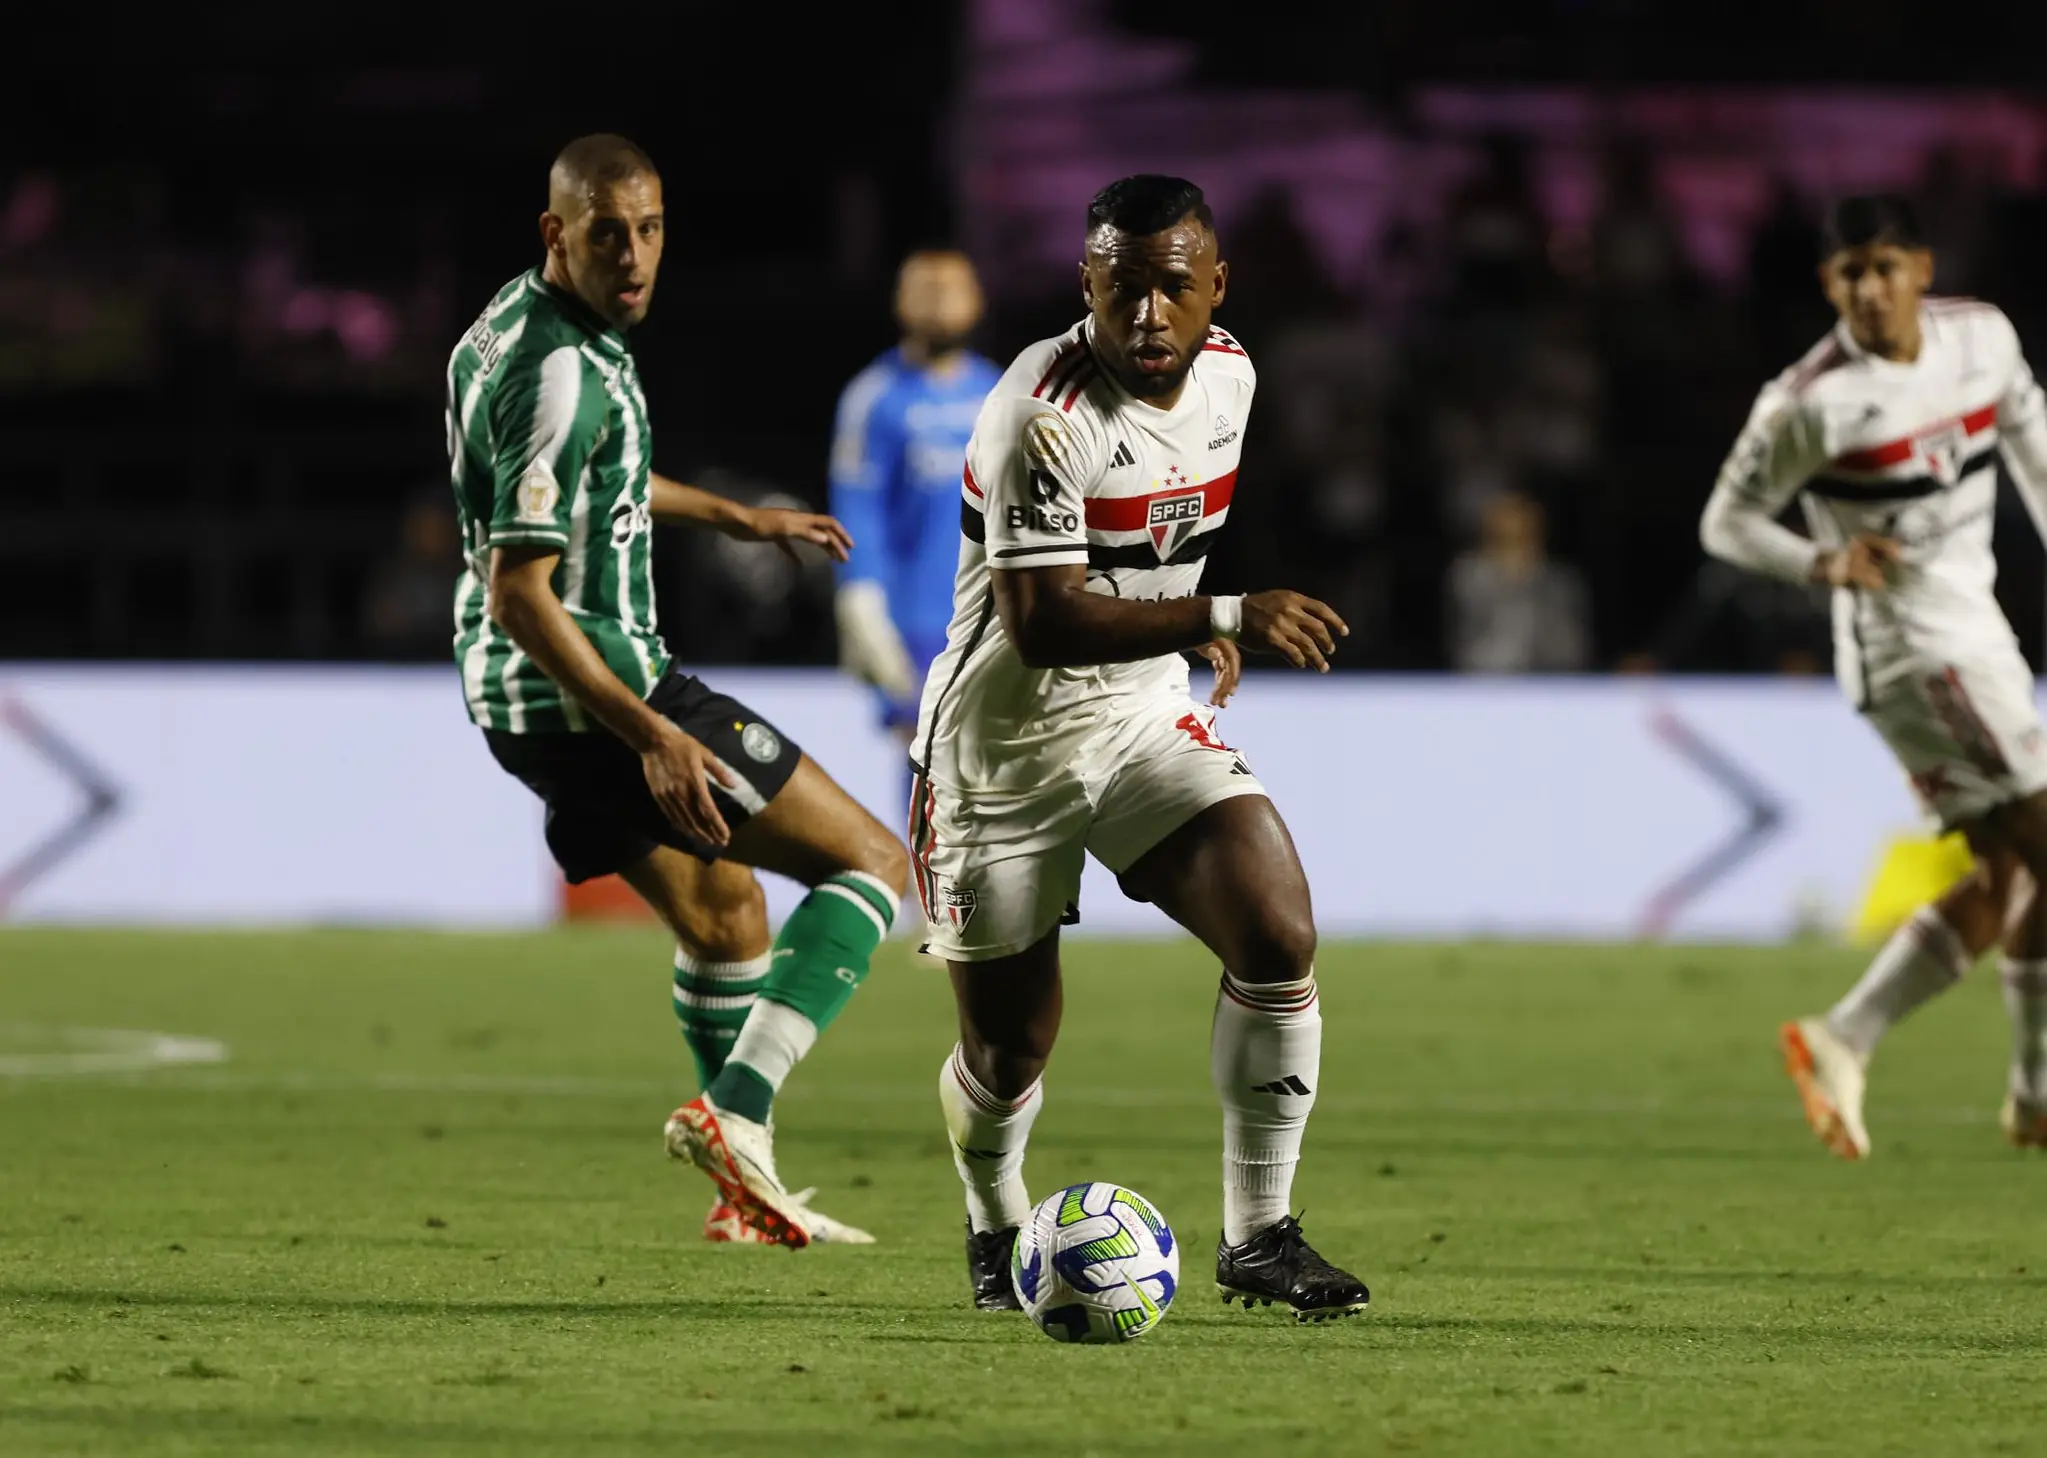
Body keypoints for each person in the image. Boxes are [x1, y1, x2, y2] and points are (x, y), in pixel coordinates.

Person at [913, 174, 1372, 1322]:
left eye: (1175, 287)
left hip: (1134, 716)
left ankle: (1259, 1236)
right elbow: (1043, 618)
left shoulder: (1233, 376)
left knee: (1277, 930)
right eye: (1125, 289)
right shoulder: (1039, 409)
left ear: (1217, 285)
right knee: (1010, 1048)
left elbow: (1160, 536)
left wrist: (1183, 624)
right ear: (1088, 285)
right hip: (1000, 752)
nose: (1150, 315)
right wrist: (1220, 615)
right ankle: (992, 1211)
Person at [445, 134, 911, 1247]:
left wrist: (734, 515)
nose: (637, 255)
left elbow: (594, 478)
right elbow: (521, 589)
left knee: (728, 916)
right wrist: (651, 731)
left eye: (651, 230)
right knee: (874, 863)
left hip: (521, 705)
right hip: (594, 685)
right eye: (610, 234)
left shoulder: (517, 329)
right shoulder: (555, 368)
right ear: (557, 233)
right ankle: (734, 1112)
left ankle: (740, 1194)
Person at [1699, 195, 2047, 1159]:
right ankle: (2035, 1090)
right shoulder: (1808, 401)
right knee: (2039, 838)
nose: (1871, 288)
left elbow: (2029, 435)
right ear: (1828, 285)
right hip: (1909, 649)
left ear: (1922, 270)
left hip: (1975, 627)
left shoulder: (1982, 339)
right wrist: (1823, 562)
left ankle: (1844, 1035)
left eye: (1886, 266)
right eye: (1850, 272)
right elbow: (1723, 523)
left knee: (2011, 866)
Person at [829, 250, 1002, 769]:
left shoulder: (1000, 391)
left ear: (978, 300)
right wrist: (861, 599)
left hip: (996, 616)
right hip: (915, 622)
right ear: (900, 301)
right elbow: (857, 506)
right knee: (931, 770)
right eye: (926, 289)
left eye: (953, 288)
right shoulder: (874, 397)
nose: (941, 301)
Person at [1445, 489, 1592, 673]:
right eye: (1506, 539)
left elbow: (1573, 649)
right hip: (1486, 682)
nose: (1516, 547)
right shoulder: (1469, 578)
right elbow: (1466, 647)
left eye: (1523, 537)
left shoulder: (1561, 581)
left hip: (1551, 682)